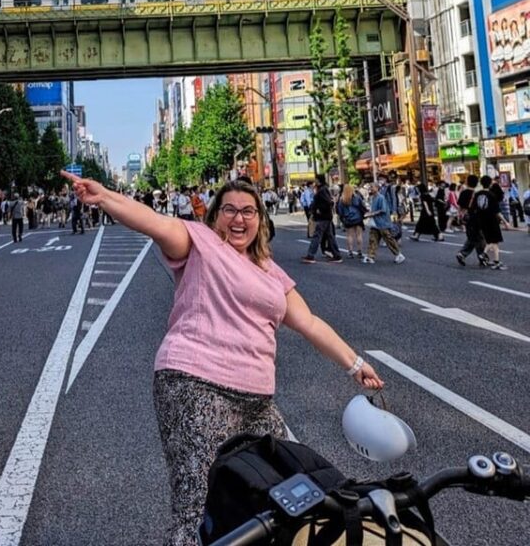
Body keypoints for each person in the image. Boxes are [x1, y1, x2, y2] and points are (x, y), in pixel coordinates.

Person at [60, 171, 383, 546]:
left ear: (260, 219)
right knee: (199, 503)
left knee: (291, 491)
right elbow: (153, 222)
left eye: (248, 211)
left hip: (257, 400)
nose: (238, 218)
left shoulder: (272, 273)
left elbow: (309, 323)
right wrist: (104, 197)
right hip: (194, 382)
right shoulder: (199, 242)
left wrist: (355, 364)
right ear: (215, 216)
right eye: (229, 209)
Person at [361, 181, 406, 264]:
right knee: (372, 239)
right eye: (370, 187)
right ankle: (370, 256)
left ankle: (399, 255)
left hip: (382, 222)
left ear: (377, 188)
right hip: (375, 222)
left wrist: (371, 214)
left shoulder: (381, 197)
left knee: (389, 239)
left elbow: (383, 209)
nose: (370, 188)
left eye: (372, 187)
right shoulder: (373, 197)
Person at [302, 174, 343, 264]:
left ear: (318, 180)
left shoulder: (322, 190)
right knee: (330, 236)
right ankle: (337, 255)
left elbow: (329, 202)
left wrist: (318, 209)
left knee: (317, 236)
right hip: (326, 216)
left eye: (315, 180)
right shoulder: (323, 189)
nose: (314, 182)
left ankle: (311, 255)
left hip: (323, 217)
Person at [455, 174, 489, 267]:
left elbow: (459, 206)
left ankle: (481, 258)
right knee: (479, 237)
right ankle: (465, 254)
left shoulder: (463, 192)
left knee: (474, 237)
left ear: (467, 182)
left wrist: (459, 216)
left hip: (466, 217)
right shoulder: (477, 194)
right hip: (476, 217)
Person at [336, 184, 366, 258]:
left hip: (348, 218)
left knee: (349, 236)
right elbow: (362, 206)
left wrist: (342, 218)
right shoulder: (357, 197)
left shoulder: (342, 199)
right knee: (359, 235)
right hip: (358, 218)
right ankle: (360, 251)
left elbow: (340, 211)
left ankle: (350, 252)